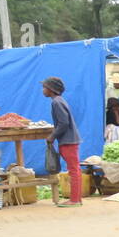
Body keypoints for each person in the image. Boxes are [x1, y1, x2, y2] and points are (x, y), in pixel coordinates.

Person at [43, 76, 82, 207]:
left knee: (73, 170)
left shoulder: (56, 102)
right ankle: (77, 199)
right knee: (75, 169)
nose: (43, 90)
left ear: (51, 90)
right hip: (69, 140)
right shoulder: (59, 100)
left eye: (44, 87)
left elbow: (63, 123)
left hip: (68, 141)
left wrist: (52, 136)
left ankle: (75, 200)